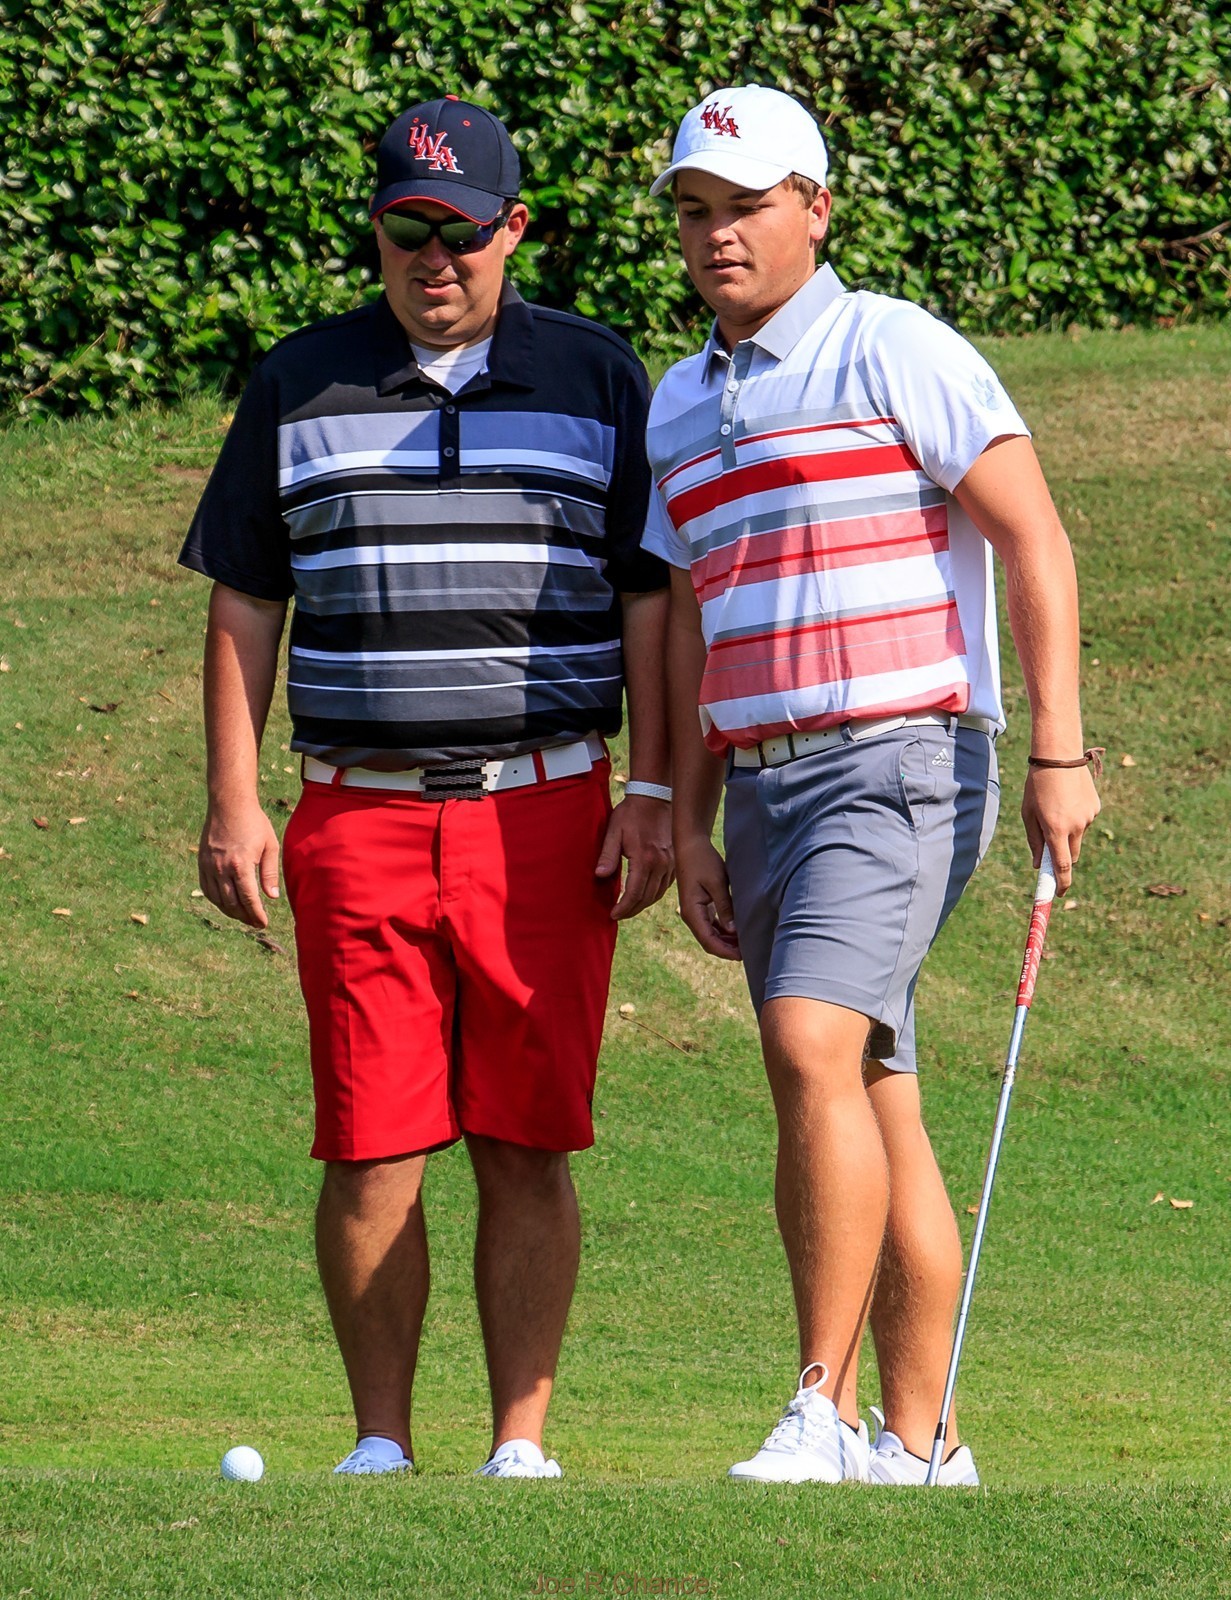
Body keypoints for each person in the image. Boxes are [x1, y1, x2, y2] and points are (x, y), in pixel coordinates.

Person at [180, 96, 672, 1479]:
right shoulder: (300, 379)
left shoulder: (597, 377)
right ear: (379, 230)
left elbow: (649, 598)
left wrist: (654, 786)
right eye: (407, 229)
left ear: (514, 229)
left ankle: (520, 1446)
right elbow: (243, 603)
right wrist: (234, 799)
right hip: (359, 809)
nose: (432, 259)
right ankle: (380, 1447)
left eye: (459, 233)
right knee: (372, 1146)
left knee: (526, 1140)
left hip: (549, 810)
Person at [643, 85, 1100, 1485]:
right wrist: (694, 818)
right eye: (697, 213)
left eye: (750, 207)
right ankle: (926, 1440)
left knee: (805, 1049)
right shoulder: (678, 404)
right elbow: (702, 617)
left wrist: (1060, 750)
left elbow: (1033, 539)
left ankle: (819, 1410)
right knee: (871, 1089)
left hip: (903, 756)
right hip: (769, 784)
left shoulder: (892, 344)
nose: (721, 237)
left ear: (815, 210)